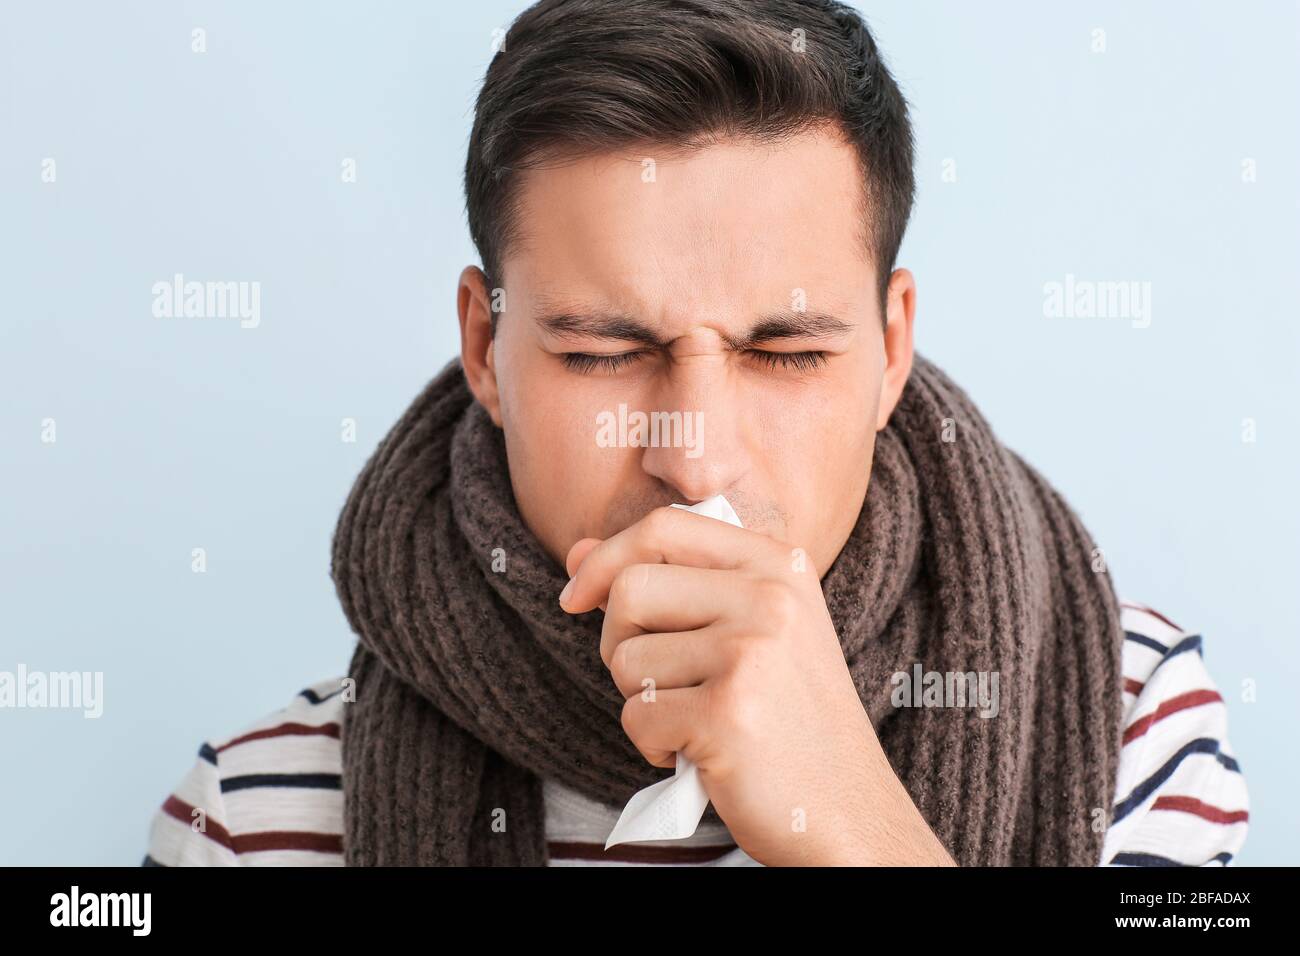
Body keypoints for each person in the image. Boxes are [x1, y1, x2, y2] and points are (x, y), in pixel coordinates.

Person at [142, 0, 1248, 867]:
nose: (695, 451)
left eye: (787, 353)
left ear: (890, 349)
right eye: (602, 351)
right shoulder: (254, 808)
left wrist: (860, 829)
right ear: (486, 349)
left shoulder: (1129, 719)